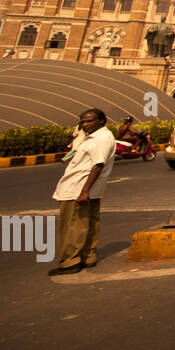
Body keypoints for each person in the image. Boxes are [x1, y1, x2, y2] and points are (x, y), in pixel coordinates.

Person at [49, 108, 116, 276]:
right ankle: (88, 257)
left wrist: (84, 191)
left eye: (89, 121)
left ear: (101, 121)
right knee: (88, 223)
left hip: (79, 188)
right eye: (83, 121)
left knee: (73, 226)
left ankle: (70, 261)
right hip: (86, 188)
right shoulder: (94, 137)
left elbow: (97, 165)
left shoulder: (100, 139)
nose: (85, 124)